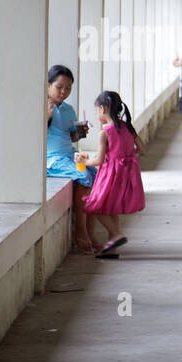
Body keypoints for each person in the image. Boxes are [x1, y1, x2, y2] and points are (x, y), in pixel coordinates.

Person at [80, 91, 146, 258]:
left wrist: (83, 160)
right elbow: (142, 149)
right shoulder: (127, 128)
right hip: (127, 174)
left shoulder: (105, 132)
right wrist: (127, 157)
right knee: (112, 209)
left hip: (110, 175)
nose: (96, 114)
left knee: (97, 206)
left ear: (102, 109)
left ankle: (117, 235)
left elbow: (99, 160)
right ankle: (112, 249)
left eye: (96, 110)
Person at [45, 64, 101, 254]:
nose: (63, 92)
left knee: (98, 178)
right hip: (52, 160)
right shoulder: (40, 106)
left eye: (68, 88)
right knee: (83, 177)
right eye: (59, 87)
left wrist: (80, 132)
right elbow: (30, 137)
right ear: (48, 85)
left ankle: (91, 233)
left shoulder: (68, 109)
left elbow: (71, 137)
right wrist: (45, 118)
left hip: (69, 154)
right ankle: (81, 231)